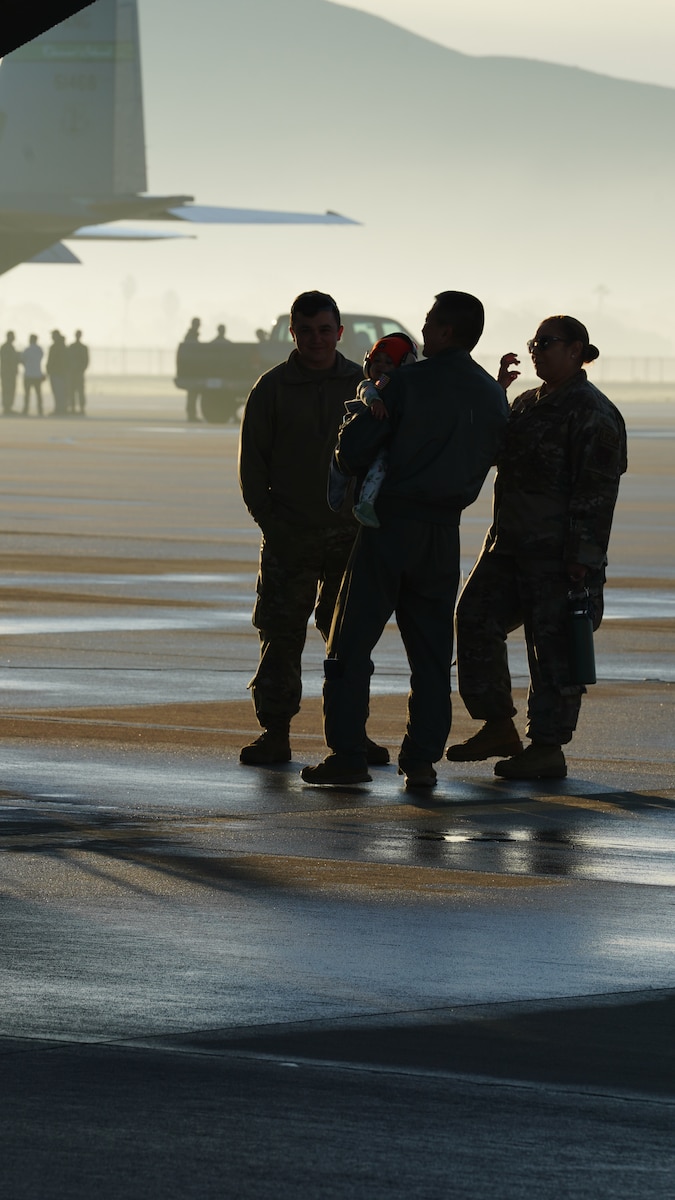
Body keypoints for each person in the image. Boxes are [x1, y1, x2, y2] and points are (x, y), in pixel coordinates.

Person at [301, 291, 509, 788]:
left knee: (349, 646)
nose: (423, 331)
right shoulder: (490, 395)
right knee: (432, 655)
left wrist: (363, 412)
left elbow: (353, 452)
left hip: (389, 527)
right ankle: (420, 761)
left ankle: (348, 754)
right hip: (444, 534)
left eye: (428, 323)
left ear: (443, 332)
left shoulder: (406, 383)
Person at [446, 315, 627, 781]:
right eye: (534, 342)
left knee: (554, 653)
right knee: (474, 618)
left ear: (576, 351)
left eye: (547, 343)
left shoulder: (592, 412)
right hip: (508, 547)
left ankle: (547, 747)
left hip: (560, 557)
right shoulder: (527, 404)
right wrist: (494, 395)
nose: (537, 350)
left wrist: (582, 559)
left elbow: (597, 492)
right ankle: (498, 725)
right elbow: (489, 448)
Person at [238, 289, 389, 767]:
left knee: (348, 641)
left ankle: (350, 737)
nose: (316, 339)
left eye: (325, 330)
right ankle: (275, 733)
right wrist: (273, 523)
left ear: (340, 333)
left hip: (351, 537)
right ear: (293, 333)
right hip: (290, 535)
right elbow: (252, 468)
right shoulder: (272, 388)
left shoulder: (366, 385)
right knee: (280, 635)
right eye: (306, 331)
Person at [328, 332, 418, 528]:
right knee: (368, 464)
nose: (381, 366)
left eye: (388, 362)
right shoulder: (378, 384)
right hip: (368, 440)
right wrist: (375, 401)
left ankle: (364, 502)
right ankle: (360, 502)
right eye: (376, 360)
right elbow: (366, 390)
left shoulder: (400, 388)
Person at [181, 317, 201, 422]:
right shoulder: (191, 337)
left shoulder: (191, 336)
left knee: (193, 394)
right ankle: (191, 415)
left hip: (191, 370)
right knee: (192, 395)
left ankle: (192, 414)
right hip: (192, 370)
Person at [46, 330, 69, 415]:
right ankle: (61, 409)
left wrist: (48, 369)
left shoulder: (55, 347)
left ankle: (59, 410)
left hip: (57, 373)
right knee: (61, 392)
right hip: (61, 373)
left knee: (58, 392)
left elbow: (51, 360)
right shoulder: (64, 347)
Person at [21, 334, 44, 415]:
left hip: (28, 374)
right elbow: (41, 358)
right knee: (38, 393)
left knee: (27, 394)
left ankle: (26, 409)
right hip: (37, 374)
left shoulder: (27, 350)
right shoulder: (39, 350)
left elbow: (22, 360)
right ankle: (40, 410)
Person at [68, 330, 89, 415]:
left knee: (80, 391)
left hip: (79, 373)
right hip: (73, 373)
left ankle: (81, 408)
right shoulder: (72, 347)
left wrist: (81, 369)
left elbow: (86, 361)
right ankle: (73, 407)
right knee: (72, 391)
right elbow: (68, 359)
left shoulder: (83, 348)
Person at [1, 331, 20, 416]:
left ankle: (8, 407)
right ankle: (7, 407)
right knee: (7, 390)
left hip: (9, 372)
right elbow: (7, 360)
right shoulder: (6, 347)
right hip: (7, 373)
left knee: (10, 390)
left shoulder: (9, 347)